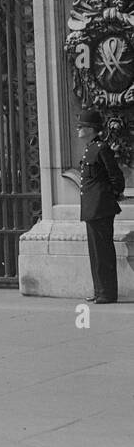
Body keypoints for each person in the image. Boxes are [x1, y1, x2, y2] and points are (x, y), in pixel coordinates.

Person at [77, 108, 125, 304]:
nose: (78, 130)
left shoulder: (101, 148)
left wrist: (111, 196)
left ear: (91, 129)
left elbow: (116, 176)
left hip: (101, 208)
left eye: (81, 126)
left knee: (103, 252)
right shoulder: (90, 148)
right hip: (92, 208)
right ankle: (99, 290)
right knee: (95, 252)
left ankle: (107, 293)